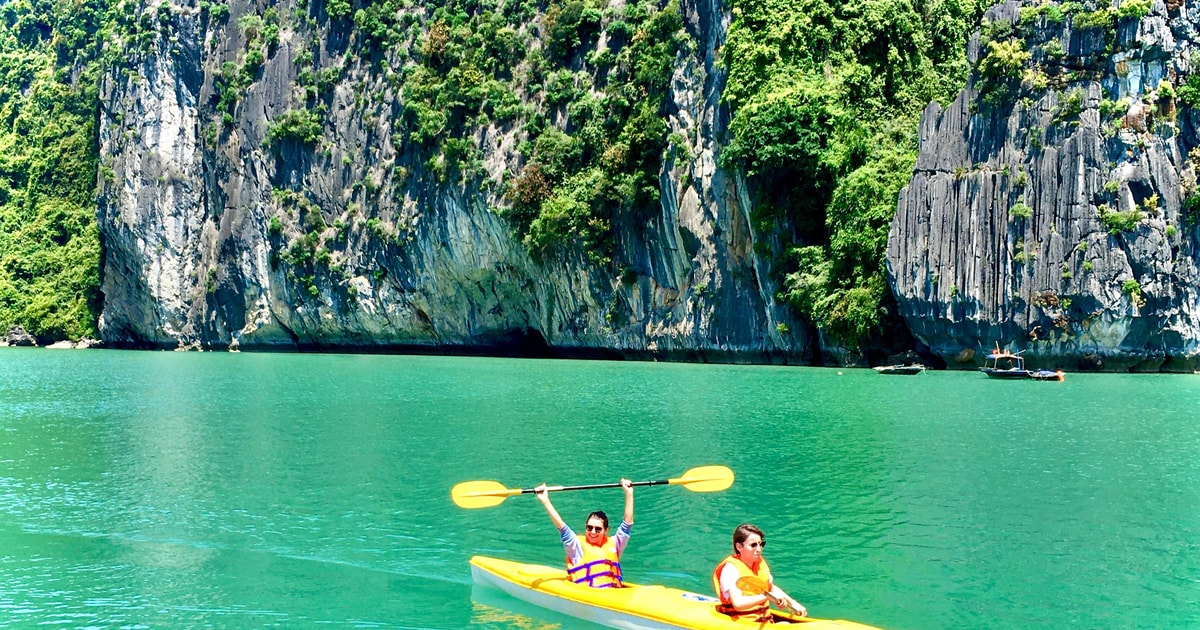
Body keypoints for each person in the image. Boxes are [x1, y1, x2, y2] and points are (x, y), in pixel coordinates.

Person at [534, 478, 633, 588]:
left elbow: (627, 525)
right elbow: (562, 527)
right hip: (591, 594)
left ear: (606, 530)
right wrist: (545, 500)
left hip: (615, 593)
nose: (593, 532)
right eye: (589, 528)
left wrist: (629, 493)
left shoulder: (614, 543)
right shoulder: (577, 546)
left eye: (598, 529)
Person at [712, 523, 806, 621]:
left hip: (764, 620)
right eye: (753, 545)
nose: (759, 549)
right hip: (742, 621)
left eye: (761, 544)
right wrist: (768, 597)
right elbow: (738, 603)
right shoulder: (731, 569)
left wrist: (793, 603)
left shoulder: (759, 564)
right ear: (739, 546)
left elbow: (770, 587)